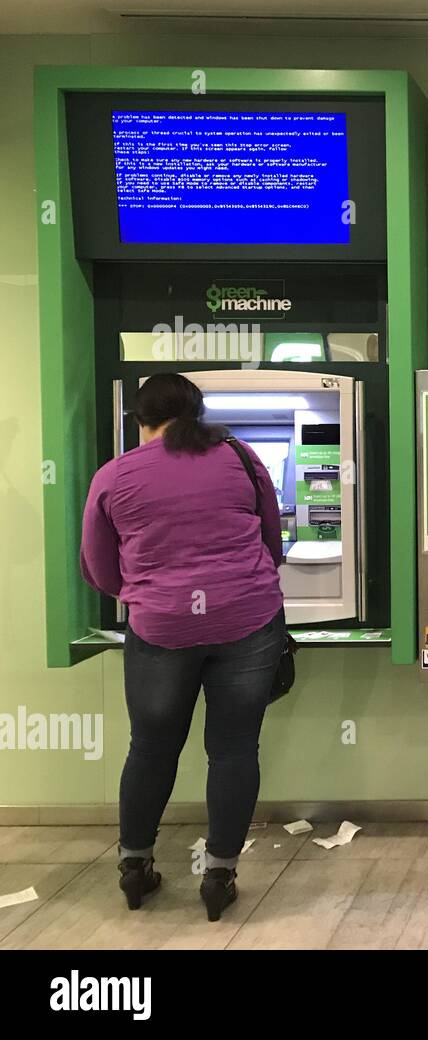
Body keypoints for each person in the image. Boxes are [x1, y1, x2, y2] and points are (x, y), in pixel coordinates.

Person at [80, 373, 286, 921]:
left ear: (140, 419)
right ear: (197, 412)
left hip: (161, 629)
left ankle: (134, 866)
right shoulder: (240, 457)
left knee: (150, 747)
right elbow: (273, 538)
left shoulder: (114, 475)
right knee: (235, 748)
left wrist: (150, 594)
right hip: (246, 620)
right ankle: (219, 874)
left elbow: (98, 569)